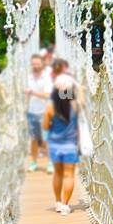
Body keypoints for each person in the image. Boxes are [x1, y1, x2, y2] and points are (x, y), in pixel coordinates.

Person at [43, 60, 79, 215]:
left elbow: (45, 126)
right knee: (69, 174)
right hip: (71, 144)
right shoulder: (76, 105)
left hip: (55, 144)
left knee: (58, 173)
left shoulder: (51, 107)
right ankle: (66, 204)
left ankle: (57, 202)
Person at [25, 52, 52, 172]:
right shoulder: (28, 77)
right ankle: (33, 163)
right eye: (33, 64)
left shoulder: (46, 77)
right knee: (34, 140)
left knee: (46, 140)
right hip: (31, 112)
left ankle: (50, 163)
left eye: (38, 63)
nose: (35, 65)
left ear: (42, 64)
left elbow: (47, 95)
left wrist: (32, 92)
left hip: (44, 112)